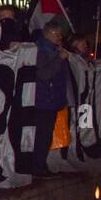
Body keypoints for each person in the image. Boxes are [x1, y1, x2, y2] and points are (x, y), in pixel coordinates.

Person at [30, 18, 72, 177]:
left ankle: (40, 165)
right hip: (43, 100)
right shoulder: (41, 51)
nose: (60, 38)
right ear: (51, 34)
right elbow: (44, 74)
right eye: (58, 35)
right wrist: (59, 59)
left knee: (46, 136)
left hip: (52, 100)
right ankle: (37, 167)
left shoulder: (54, 50)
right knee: (42, 135)